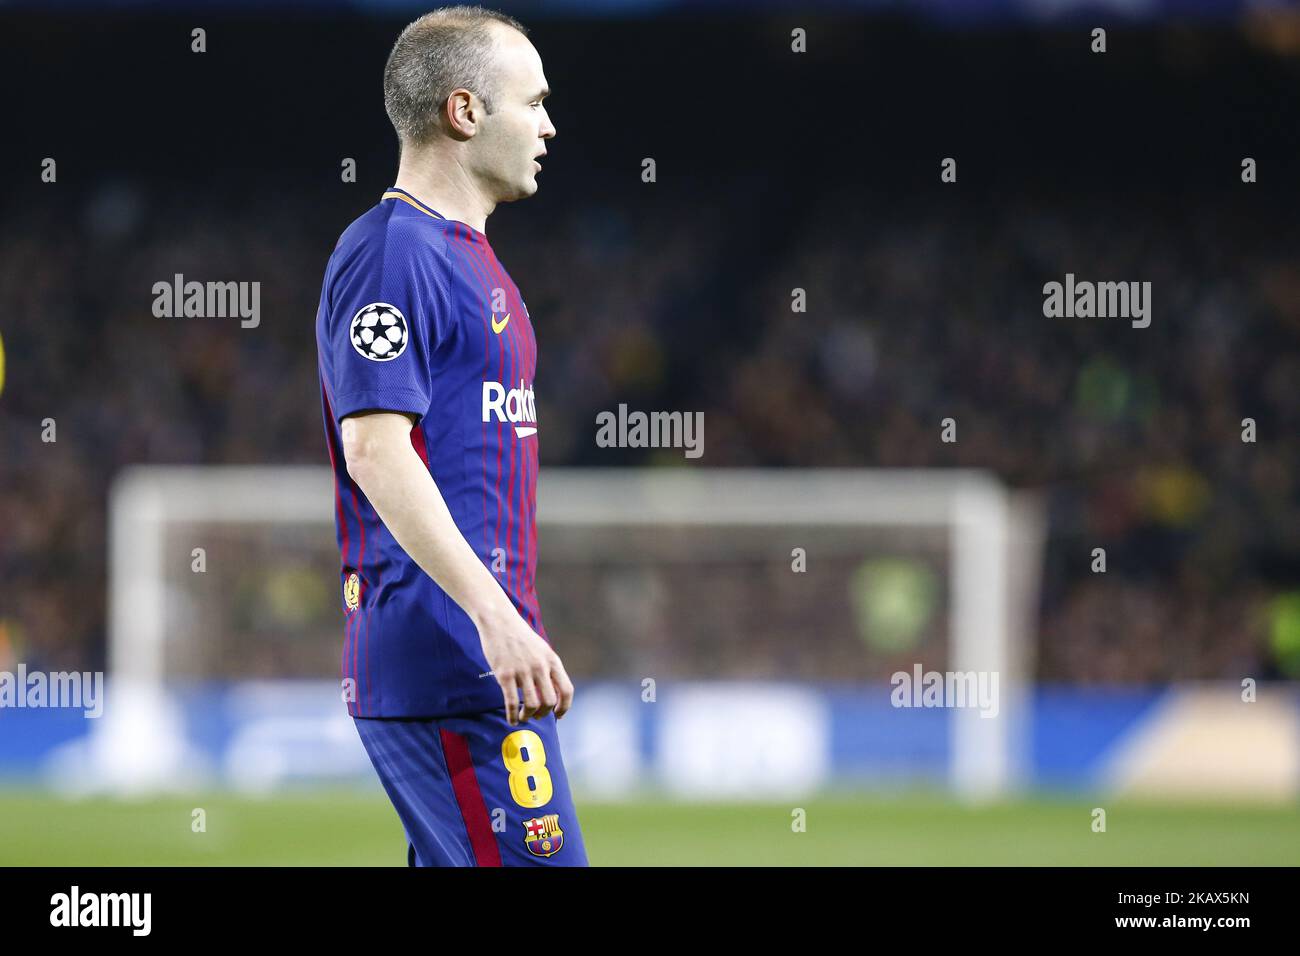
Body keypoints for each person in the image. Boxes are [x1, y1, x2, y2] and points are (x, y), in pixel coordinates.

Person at [314, 5, 586, 866]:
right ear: (464, 113)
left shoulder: (468, 258)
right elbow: (376, 448)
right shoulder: (393, 255)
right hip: (450, 660)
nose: (550, 124)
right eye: (532, 101)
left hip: (470, 661)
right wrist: (492, 619)